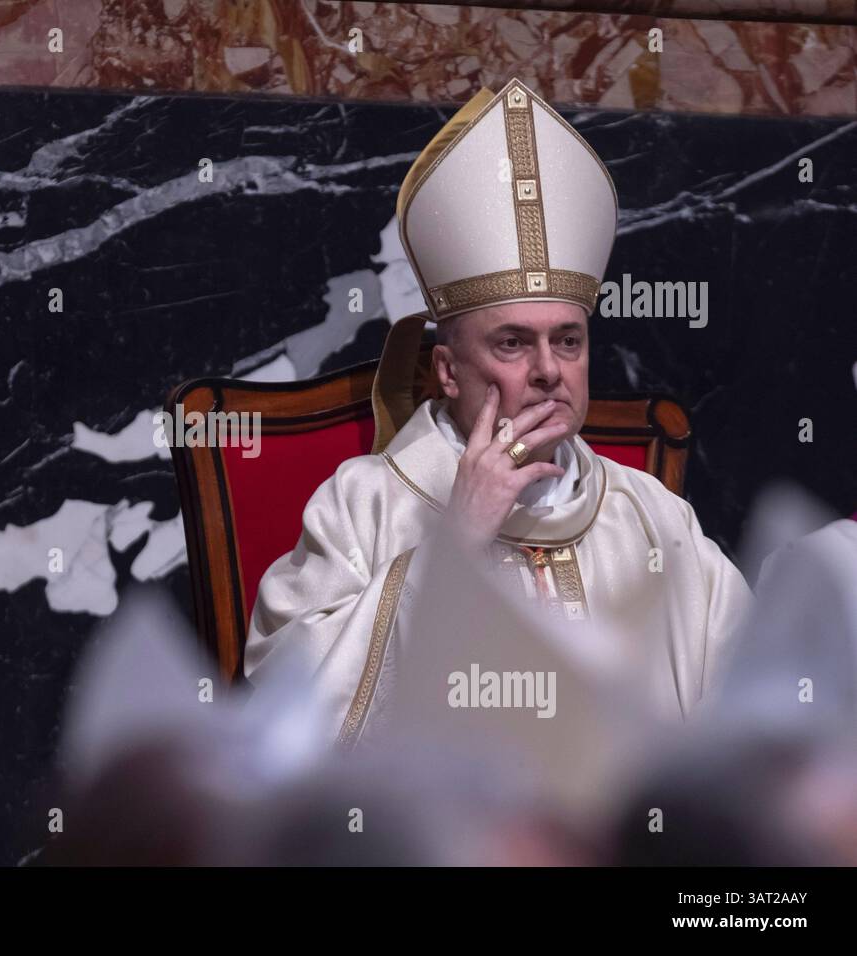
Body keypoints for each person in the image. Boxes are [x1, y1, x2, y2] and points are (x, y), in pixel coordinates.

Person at [244, 78, 752, 746]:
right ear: (448, 373)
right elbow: (280, 723)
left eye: (567, 340)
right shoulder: (363, 505)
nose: (548, 369)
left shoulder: (654, 518)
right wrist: (454, 541)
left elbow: (755, 717)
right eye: (513, 342)